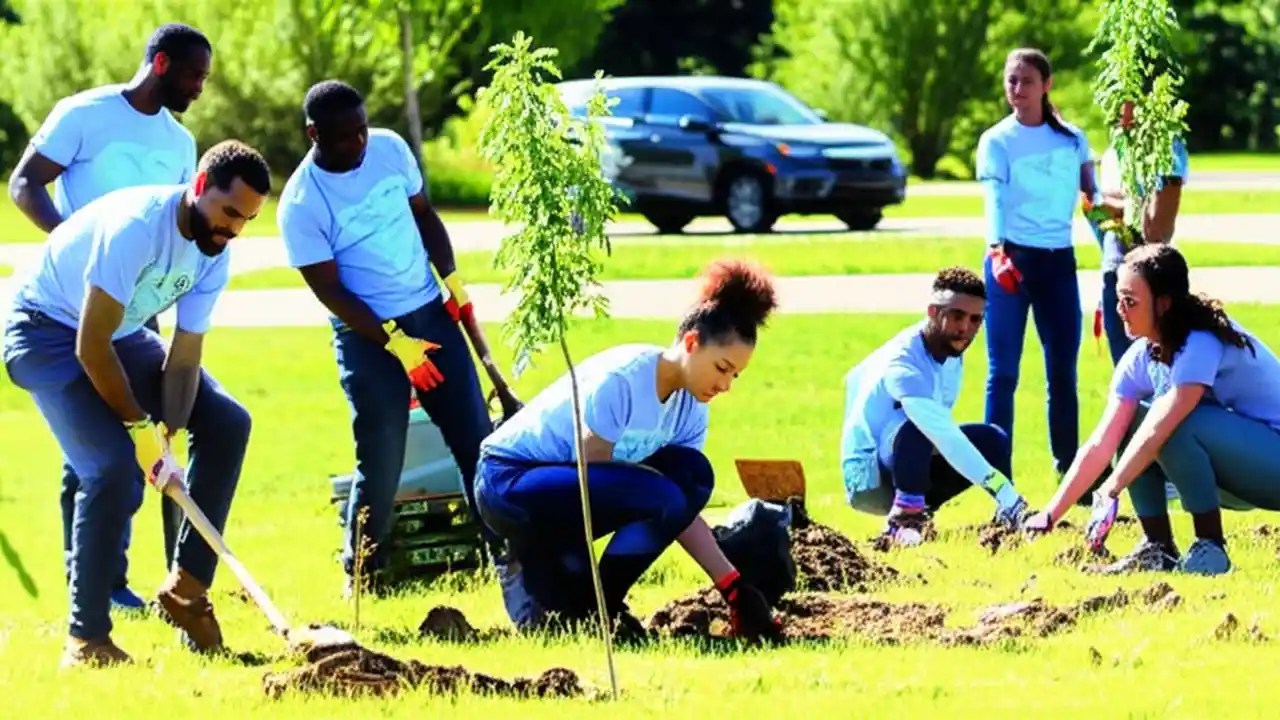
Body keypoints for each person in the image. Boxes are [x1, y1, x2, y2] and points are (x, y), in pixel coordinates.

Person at [1, 140, 271, 667]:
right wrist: (140, 429)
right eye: (229, 212)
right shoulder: (136, 228)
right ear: (199, 187)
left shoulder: (215, 253)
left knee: (228, 422)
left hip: (116, 334)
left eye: (247, 219)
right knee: (109, 469)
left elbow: (186, 357)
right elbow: (89, 346)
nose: (234, 228)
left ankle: (187, 589)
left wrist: (168, 429)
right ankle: (86, 639)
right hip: (42, 332)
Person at [276, 79, 521, 595]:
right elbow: (329, 290)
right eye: (344, 137)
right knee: (381, 458)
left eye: (362, 130)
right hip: (366, 338)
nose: (359, 143)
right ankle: (365, 572)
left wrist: (450, 278)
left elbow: (425, 217)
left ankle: (505, 552)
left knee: (475, 438)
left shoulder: (389, 148)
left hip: (431, 316)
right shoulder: (300, 202)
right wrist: (393, 341)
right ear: (313, 134)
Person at [6, 22, 212, 610]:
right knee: (100, 452)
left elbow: (182, 222)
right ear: (163, 63)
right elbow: (25, 182)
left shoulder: (180, 144)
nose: (200, 87)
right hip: (67, 304)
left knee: (130, 441)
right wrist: (78, 249)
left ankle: (112, 578)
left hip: (134, 309)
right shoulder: (85, 113)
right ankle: (99, 583)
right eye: (195, 74)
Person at [473, 259, 782, 641]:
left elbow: (678, 510)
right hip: (508, 483)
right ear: (691, 343)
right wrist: (658, 491)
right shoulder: (623, 380)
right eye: (722, 368)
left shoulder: (691, 409)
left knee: (693, 476)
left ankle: (602, 602)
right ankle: (531, 562)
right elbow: (593, 481)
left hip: (573, 499)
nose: (726, 385)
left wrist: (734, 590)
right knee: (663, 492)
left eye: (735, 375)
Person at [1023, 244, 1280, 576]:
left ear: (1164, 303)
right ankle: (1157, 548)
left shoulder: (1200, 341)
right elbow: (1102, 442)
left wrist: (1112, 488)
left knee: (1172, 422)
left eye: (1131, 301)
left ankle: (1210, 547)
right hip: (1246, 469)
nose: (1120, 310)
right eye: (1118, 299)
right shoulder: (1141, 356)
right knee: (1137, 421)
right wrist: (1051, 514)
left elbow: (1168, 420)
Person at [976, 47, 1099, 482]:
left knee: (1062, 372)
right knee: (1003, 372)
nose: (1017, 89)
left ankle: (1070, 471)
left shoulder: (1072, 140)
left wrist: (1117, 250)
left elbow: (1093, 200)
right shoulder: (997, 141)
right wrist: (996, 250)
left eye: (1027, 81)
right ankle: (998, 479)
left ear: (1046, 85)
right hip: (1009, 260)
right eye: (1011, 80)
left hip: (1057, 265)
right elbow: (992, 199)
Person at [840, 267, 1028, 545]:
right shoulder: (904, 363)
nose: (965, 328)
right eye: (956, 316)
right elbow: (941, 434)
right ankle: (904, 519)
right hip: (868, 478)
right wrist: (1004, 491)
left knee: (993, 441)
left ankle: (924, 513)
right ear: (932, 311)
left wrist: (1005, 496)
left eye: (976, 319)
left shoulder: (951, 352)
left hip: (900, 455)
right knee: (922, 428)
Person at [1089, 99, 1190, 366]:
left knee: (1157, 367)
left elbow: (1156, 231)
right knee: (1126, 373)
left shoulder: (1166, 149)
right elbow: (1097, 212)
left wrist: (1118, 208)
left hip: (1150, 276)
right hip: (1114, 274)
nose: (1124, 115)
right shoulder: (1113, 153)